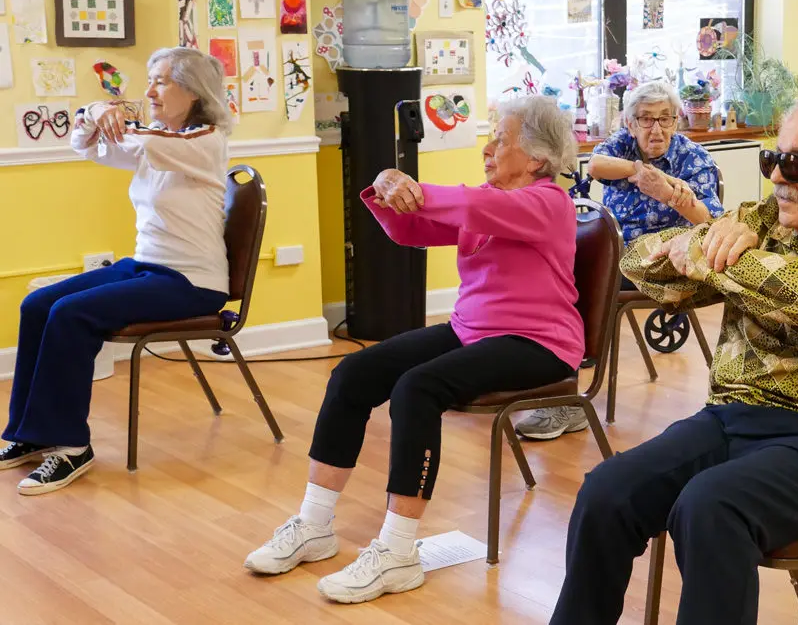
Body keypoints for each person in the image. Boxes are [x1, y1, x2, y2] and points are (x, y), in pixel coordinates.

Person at [549, 89, 798, 625]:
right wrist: (711, 244)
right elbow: (646, 269)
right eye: (773, 160)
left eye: (796, 164)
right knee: (607, 492)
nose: (777, 177)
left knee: (711, 507)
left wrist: (722, 253)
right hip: (738, 416)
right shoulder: (766, 219)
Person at [243, 95, 584, 604]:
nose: (487, 149)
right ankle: (315, 524)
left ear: (536, 158)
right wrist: (386, 190)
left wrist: (414, 187)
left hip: (540, 341)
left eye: (501, 139)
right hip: (474, 329)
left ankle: (399, 553)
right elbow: (411, 229)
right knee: (354, 373)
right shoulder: (490, 197)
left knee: (417, 389)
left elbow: (471, 204)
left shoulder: (546, 201)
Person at [0, 47, 234, 495]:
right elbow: (84, 145)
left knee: (71, 314)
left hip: (192, 283)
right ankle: (32, 432)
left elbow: (138, 141)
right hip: (147, 267)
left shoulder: (203, 141)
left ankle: (70, 446)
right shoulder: (160, 140)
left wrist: (106, 113)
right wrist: (95, 110)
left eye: (160, 81)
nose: (148, 91)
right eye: (149, 79)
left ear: (192, 90)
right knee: (38, 304)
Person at [517, 80, 724, 441]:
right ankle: (529, 378)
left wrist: (671, 195)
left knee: (582, 291)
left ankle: (566, 400)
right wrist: (637, 171)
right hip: (614, 253)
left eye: (665, 118)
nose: (656, 128)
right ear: (629, 123)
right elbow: (594, 165)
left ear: (676, 121)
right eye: (646, 119)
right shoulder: (623, 147)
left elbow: (711, 221)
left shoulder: (694, 158)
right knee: (542, 277)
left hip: (665, 261)